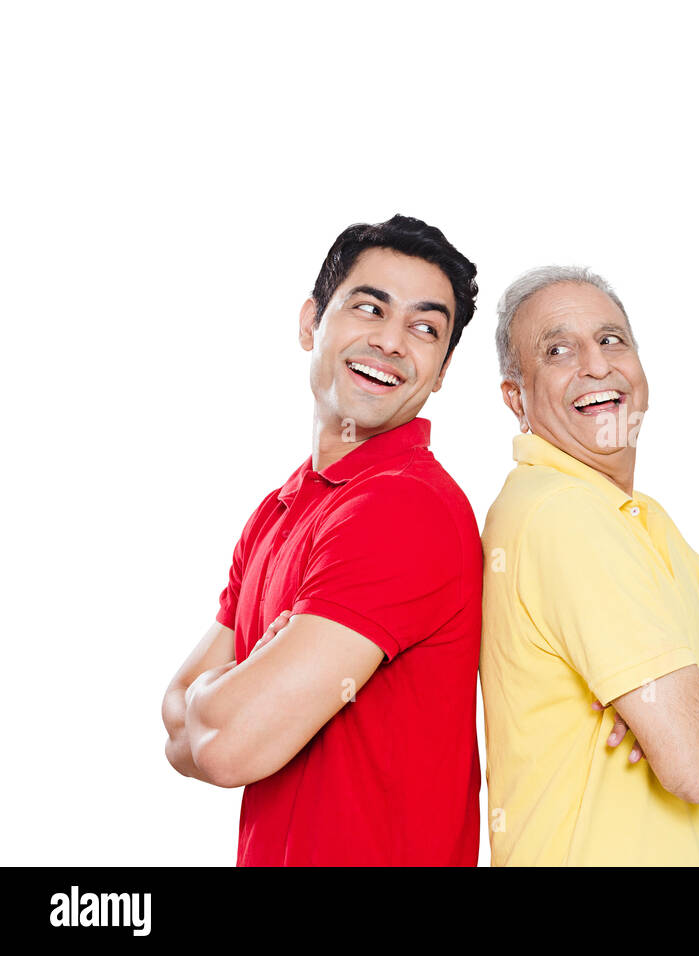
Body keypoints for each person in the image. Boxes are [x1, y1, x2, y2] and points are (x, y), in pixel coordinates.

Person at [161, 214, 483, 865]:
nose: (393, 343)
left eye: (425, 329)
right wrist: (219, 696)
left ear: (441, 371)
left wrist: (217, 697)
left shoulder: (404, 508)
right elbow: (178, 726)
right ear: (311, 322)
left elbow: (225, 747)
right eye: (371, 308)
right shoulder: (277, 511)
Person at [480, 266, 699, 865]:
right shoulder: (561, 514)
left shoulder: (639, 518)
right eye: (558, 350)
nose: (597, 366)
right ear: (515, 399)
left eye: (612, 341)